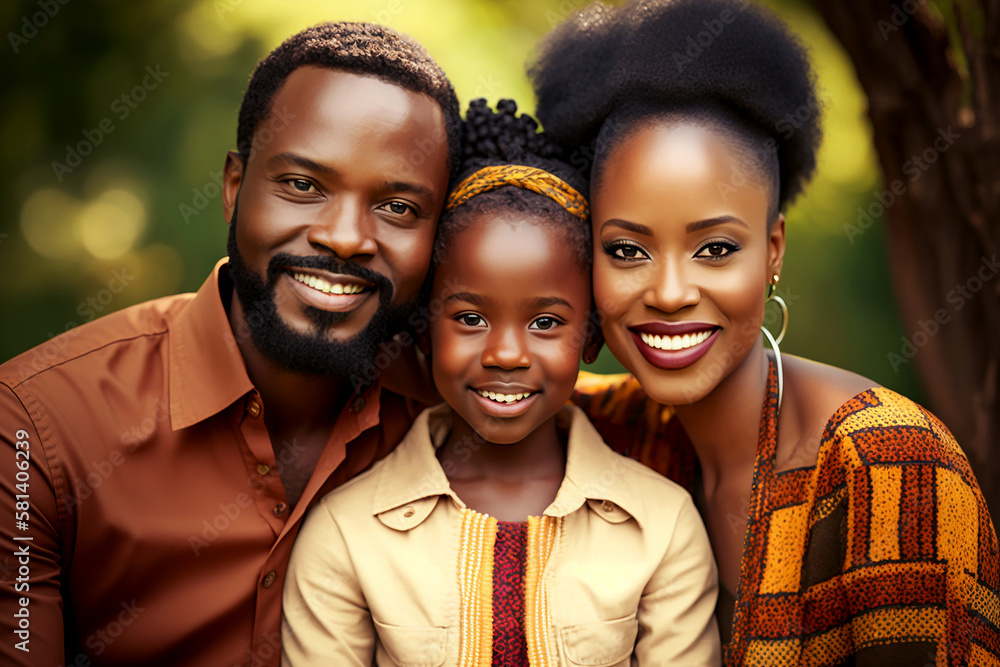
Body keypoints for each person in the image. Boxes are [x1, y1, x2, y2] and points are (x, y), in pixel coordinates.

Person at [530, 0, 1000, 664]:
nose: (668, 292)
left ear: (773, 250)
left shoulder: (889, 465)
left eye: (716, 249)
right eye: (627, 251)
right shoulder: (600, 434)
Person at [0, 22, 462, 666]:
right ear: (233, 187)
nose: (347, 237)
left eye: (398, 208)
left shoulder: (466, 414)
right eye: (303, 185)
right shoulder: (34, 430)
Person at [281, 99, 721, 666]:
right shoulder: (347, 532)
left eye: (545, 322)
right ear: (423, 329)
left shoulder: (660, 526)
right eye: (469, 319)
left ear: (591, 339)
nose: (506, 354)